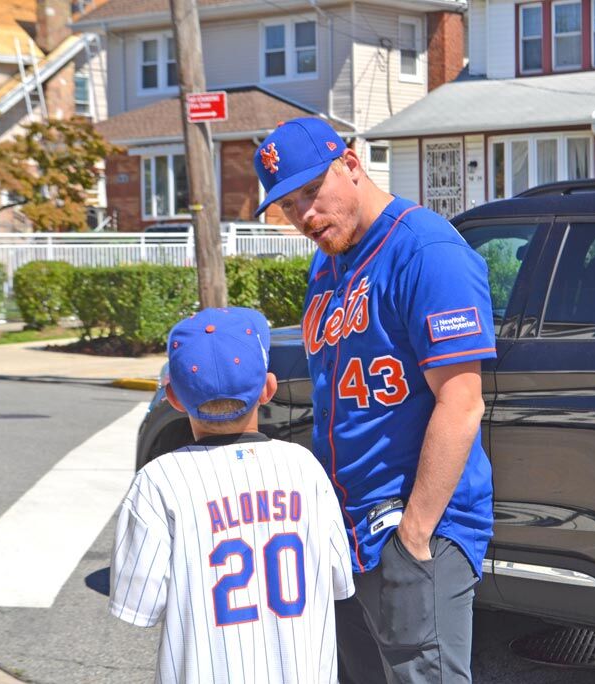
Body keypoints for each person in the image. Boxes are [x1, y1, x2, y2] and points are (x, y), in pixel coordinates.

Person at [252, 118, 496, 683]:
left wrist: (414, 537)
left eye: (312, 192)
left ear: (352, 164)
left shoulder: (427, 250)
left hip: (414, 527)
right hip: (345, 528)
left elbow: (461, 403)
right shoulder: (329, 257)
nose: (305, 215)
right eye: (289, 205)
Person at [109, 306, 355, 684]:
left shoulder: (159, 481)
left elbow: (139, 602)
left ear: (173, 397)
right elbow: (339, 578)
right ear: (268, 389)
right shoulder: (304, 468)